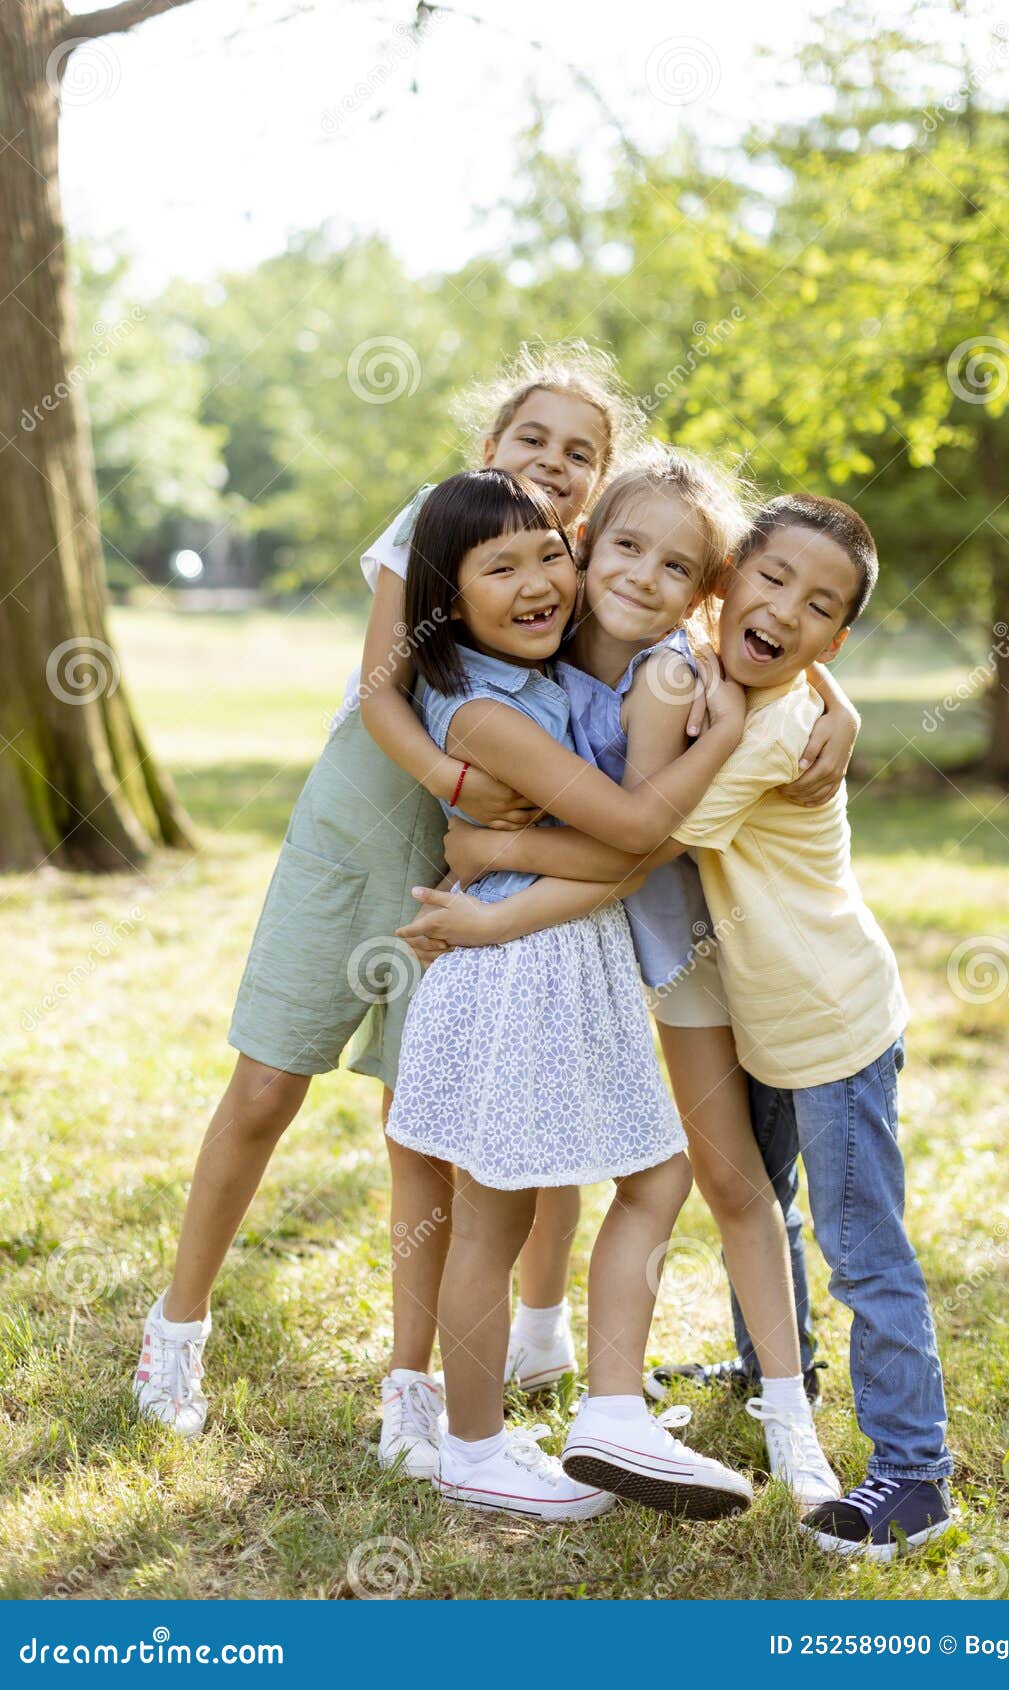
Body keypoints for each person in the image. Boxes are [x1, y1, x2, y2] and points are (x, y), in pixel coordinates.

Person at [132, 342, 644, 1464]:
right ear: (487, 447)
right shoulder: (438, 519)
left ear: (599, 482)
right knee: (268, 1080)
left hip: (477, 875)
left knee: (423, 1124)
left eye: (580, 452)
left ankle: (411, 1382)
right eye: (531, 438)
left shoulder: (582, 568)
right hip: (367, 825)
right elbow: (380, 691)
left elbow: (684, 618)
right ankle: (176, 1330)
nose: (552, 462)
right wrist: (457, 782)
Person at [423, 493, 952, 1559]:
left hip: (818, 1014)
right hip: (731, 989)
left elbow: (637, 844)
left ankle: (911, 1468)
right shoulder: (651, 661)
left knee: (853, 1244)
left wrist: (490, 866)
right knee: (753, 1194)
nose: (784, 609)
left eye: (817, 608)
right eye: (769, 581)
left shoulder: (741, 714)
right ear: (726, 586)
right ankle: (772, 1373)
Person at [386, 466, 757, 1521]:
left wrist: (499, 847)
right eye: (499, 568)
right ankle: (474, 1448)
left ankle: (604, 1409)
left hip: (550, 957)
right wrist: (725, 738)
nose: (536, 582)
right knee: (496, 1218)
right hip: (519, 968)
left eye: (547, 554)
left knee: (646, 1175)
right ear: (448, 598)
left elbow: (621, 845)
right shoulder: (484, 711)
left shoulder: (542, 674)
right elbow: (633, 834)